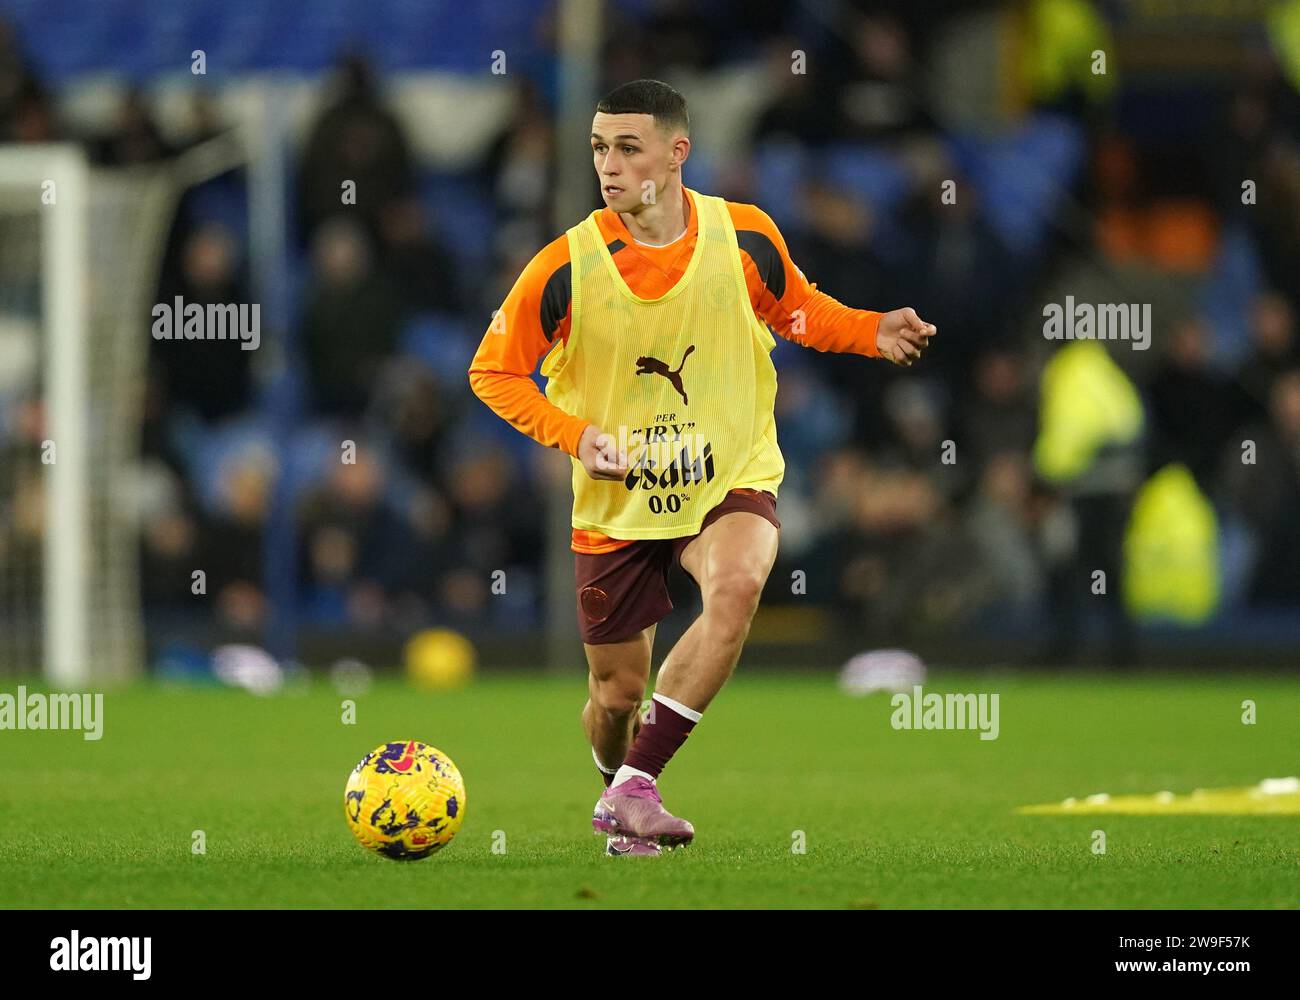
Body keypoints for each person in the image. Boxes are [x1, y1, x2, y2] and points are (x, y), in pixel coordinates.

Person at [468, 79, 935, 856]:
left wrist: (870, 330)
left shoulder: (743, 235)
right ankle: (618, 786)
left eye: (627, 147)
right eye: (597, 148)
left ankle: (637, 787)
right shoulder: (565, 267)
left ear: (677, 151)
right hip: (618, 503)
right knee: (615, 696)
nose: (608, 166)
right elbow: (493, 371)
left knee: (739, 583)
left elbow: (799, 311)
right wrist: (574, 435)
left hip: (728, 474)